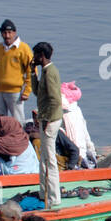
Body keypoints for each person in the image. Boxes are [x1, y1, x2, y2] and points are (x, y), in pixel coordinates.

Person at [30, 42, 63, 211]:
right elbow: (37, 92)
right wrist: (32, 72)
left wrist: (47, 120)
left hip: (50, 121)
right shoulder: (44, 71)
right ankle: (44, 191)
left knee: (50, 160)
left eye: (35, 55)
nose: (33, 57)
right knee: (43, 158)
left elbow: (55, 99)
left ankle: (54, 198)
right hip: (46, 120)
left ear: (41, 55)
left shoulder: (50, 73)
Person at [0, 19, 32, 121]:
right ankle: (2, 137)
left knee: (18, 120)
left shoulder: (23, 48)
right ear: (1, 34)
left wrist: (27, 91)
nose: (7, 36)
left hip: (15, 92)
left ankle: (20, 137)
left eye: (9, 32)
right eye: (4, 33)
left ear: (15, 32)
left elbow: (31, 70)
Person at [58, 82, 97, 168]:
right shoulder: (77, 110)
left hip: (74, 157)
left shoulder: (63, 115)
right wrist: (92, 151)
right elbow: (85, 133)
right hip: (82, 153)